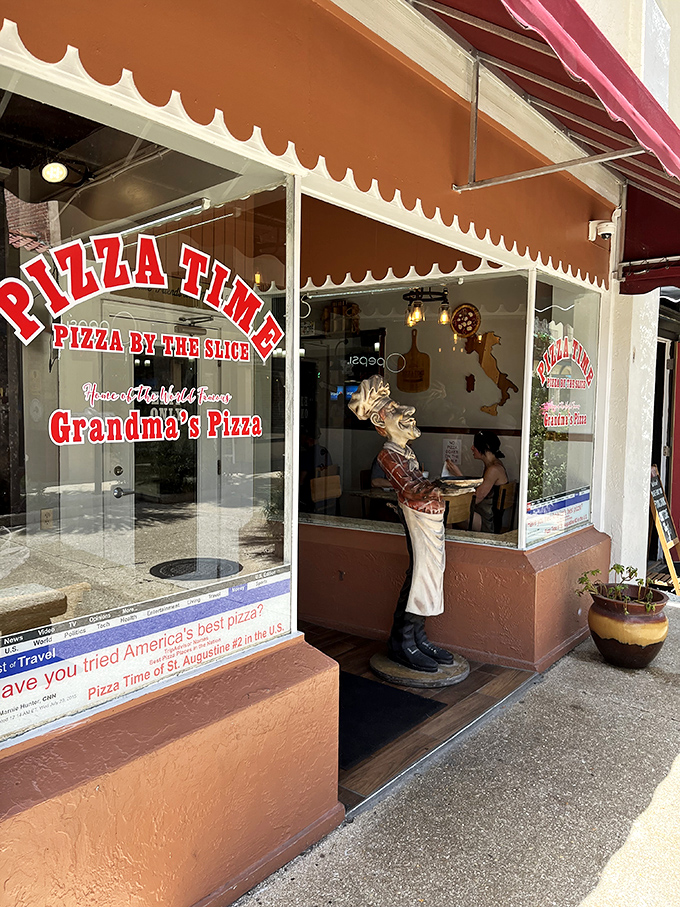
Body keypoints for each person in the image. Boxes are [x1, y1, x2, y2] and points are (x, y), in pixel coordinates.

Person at [349, 375, 463, 673]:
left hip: (430, 518)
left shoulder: (406, 452)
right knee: (420, 577)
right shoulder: (388, 454)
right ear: (380, 420)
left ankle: (417, 637)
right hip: (418, 518)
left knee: (427, 576)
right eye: (394, 409)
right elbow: (409, 488)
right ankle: (403, 643)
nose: (407, 411)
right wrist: (441, 487)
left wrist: (443, 487)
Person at [444, 430, 508, 533]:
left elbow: (475, 499)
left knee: (448, 512)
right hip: (486, 516)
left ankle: (450, 541)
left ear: (486, 447)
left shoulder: (494, 470)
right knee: (449, 510)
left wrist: (459, 476)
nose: (472, 448)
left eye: (475, 445)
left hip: (488, 523)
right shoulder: (493, 465)